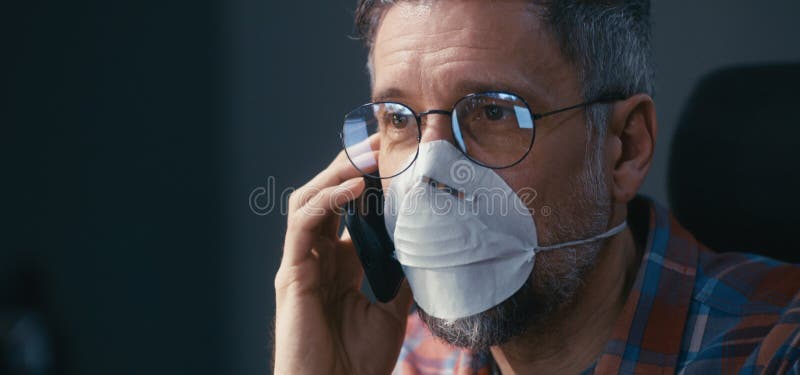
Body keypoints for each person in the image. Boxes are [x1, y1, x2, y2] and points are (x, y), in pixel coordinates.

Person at [273, 0, 800, 373]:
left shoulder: (778, 348)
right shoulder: (407, 359)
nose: (426, 180)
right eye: (397, 118)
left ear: (625, 147)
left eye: (495, 112)